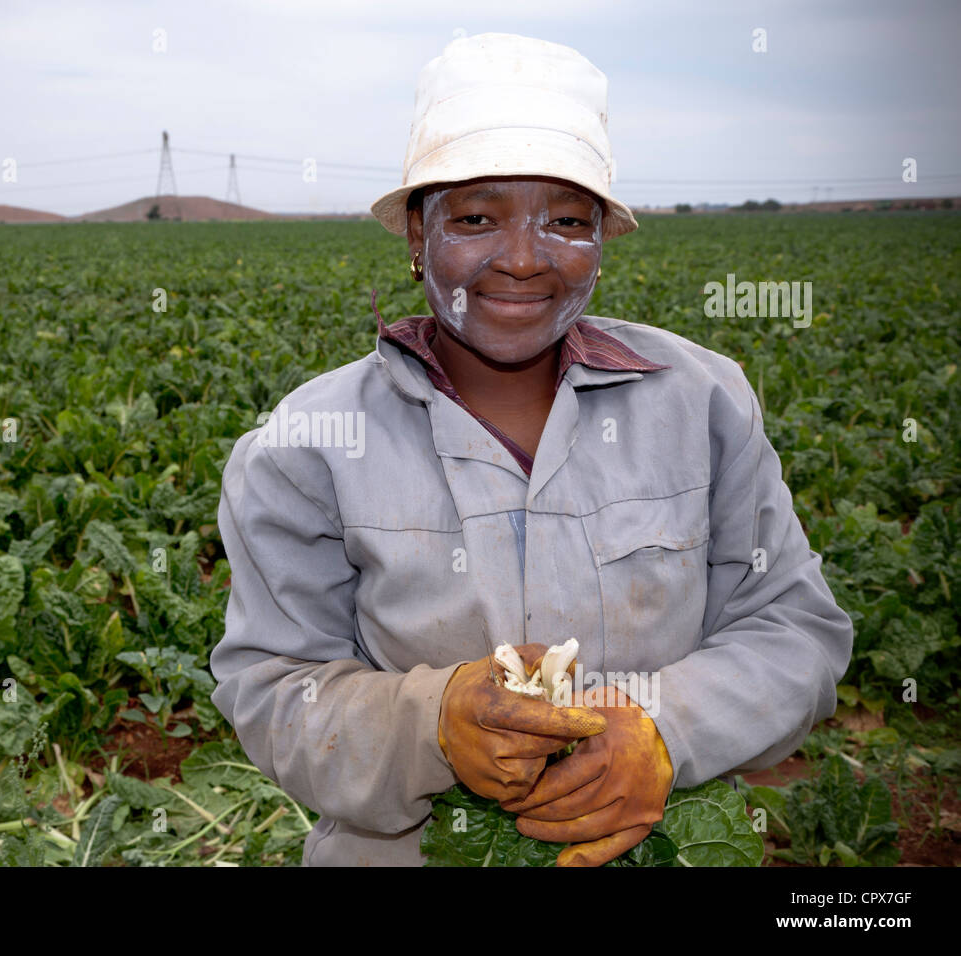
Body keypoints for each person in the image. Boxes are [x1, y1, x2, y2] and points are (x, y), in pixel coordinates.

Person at [208, 33, 854, 867]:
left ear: (601, 240)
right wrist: (433, 721)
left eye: (566, 221)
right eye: (475, 218)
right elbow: (272, 694)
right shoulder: (305, 444)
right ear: (415, 233)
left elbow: (796, 630)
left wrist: (663, 728)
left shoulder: (704, 402)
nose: (521, 258)